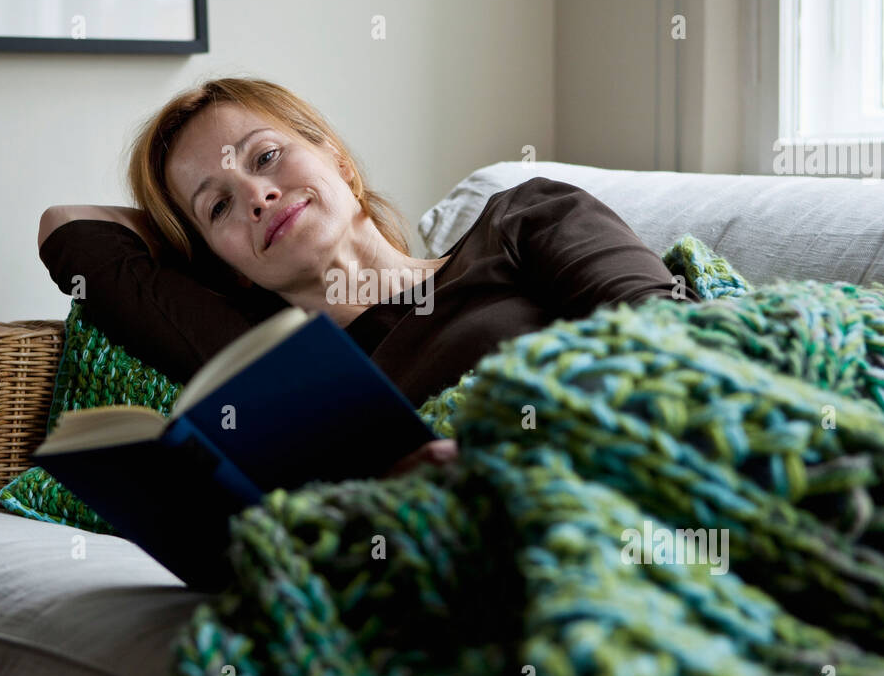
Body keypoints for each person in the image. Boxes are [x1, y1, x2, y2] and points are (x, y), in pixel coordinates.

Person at [39, 78, 701, 478]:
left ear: (339, 163)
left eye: (267, 157)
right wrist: (196, 239)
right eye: (218, 205)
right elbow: (67, 227)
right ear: (222, 265)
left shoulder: (521, 220)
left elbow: (675, 335)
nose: (255, 196)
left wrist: (505, 452)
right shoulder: (280, 365)